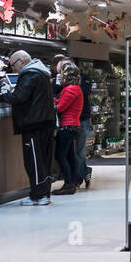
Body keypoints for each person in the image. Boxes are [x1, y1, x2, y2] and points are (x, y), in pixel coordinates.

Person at [0, 50, 56, 206]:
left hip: (33, 123)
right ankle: (44, 193)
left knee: (34, 161)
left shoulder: (30, 74)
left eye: (13, 65)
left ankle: (38, 195)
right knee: (44, 160)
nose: (13, 69)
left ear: (22, 61)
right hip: (46, 121)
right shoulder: (42, 72)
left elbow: (19, 96)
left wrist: (2, 96)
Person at [52, 62, 85, 195]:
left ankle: (69, 184)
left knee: (60, 156)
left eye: (61, 74)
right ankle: (71, 182)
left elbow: (60, 108)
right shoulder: (76, 88)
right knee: (69, 155)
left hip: (67, 126)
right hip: (72, 126)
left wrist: (54, 100)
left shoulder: (70, 89)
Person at [76, 65, 94, 189]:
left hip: (82, 118)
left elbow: (85, 92)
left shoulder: (84, 78)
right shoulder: (58, 79)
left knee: (80, 150)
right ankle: (83, 172)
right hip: (69, 120)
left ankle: (77, 179)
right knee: (72, 151)